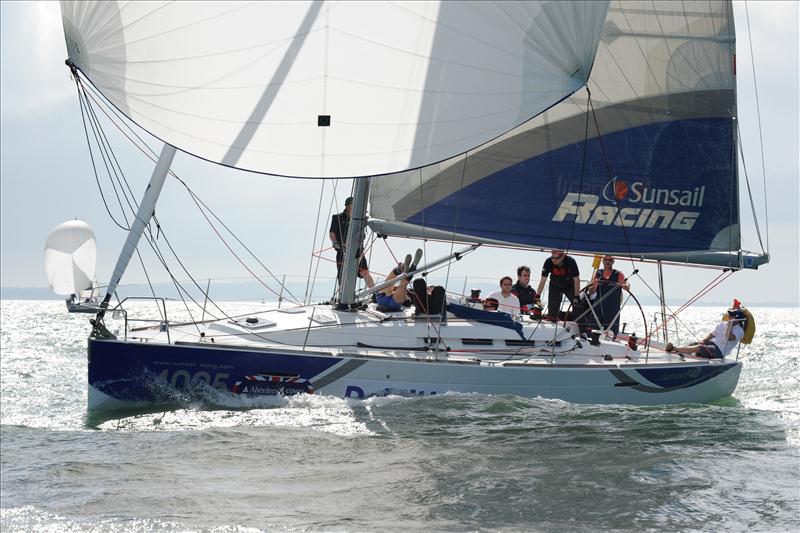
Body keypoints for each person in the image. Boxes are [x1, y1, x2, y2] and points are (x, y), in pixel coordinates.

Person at [665, 306, 748, 359]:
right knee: (693, 344)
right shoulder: (723, 324)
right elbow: (712, 334)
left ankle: (674, 349)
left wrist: (730, 325)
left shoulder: (739, 331)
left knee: (699, 348)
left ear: (737, 318)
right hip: (711, 344)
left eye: (731, 316)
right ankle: (680, 354)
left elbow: (728, 337)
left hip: (719, 351)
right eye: (729, 315)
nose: (729, 317)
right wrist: (704, 340)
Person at [330, 196, 374, 288]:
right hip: (342, 250)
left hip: (357, 250)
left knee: (364, 271)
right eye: (353, 205)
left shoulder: (360, 219)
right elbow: (332, 232)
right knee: (342, 274)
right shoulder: (337, 217)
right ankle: (342, 296)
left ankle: (375, 293)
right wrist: (335, 242)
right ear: (347, 206)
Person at [587, 255, 630, 336]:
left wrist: (626, 286)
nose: (607, 261)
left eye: (610, 260)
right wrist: (595, 285)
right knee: (592, 332)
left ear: (613, 261)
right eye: (605, 260)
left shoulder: (618, 274)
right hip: (598, 307)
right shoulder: (598, 273)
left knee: (611, 333)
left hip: (612, 308)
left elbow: (626, 284)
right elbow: (591, 291)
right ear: (602, 261)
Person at [535, 250, 580, 320]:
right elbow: (543, 281)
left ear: (563, 256)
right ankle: (552, 320)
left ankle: (582, 327)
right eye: (553, 258)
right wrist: (537, 296)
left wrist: (577, 296)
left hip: (569, 285)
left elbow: (576, 279)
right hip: (555, 285)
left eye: (557, 258)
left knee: (578, 306)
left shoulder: (570, 261)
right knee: (552, 312)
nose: (554, 260)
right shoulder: (548, 262)